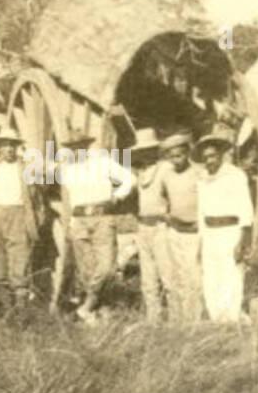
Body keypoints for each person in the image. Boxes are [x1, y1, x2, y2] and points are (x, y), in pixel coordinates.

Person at [53, 127, 135, 322]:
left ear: (87, 146)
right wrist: (71, 224)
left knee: (106, 266)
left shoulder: (103, 162)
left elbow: (130, 179)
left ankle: (87, 305)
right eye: (73, 147)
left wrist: (117, 196)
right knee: (87, 269)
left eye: (81, 146)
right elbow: (70, 200)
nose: (77, 150)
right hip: (79, 221)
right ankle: (95, 313)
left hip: (102, 218)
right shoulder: (67, 170)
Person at [195, 129, 252, 322]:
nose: (209, 161)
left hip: (230, 231)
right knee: (211, 276)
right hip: (210, 233)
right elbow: (201, 211)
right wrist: (201, 240)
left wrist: (242, 241)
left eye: (212, 156)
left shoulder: (235, 176)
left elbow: (245, 208)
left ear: (221, 154)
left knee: (230, 275)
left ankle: (230, 316)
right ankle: (216, 317)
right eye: (205, 158)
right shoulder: (202, 178)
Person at [0, 130, 38, 308]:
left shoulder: (26, 168)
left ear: (17, 147)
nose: (9, 149)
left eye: (12, 145)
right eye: (5, 145)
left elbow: (36, 196)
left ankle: (21, 309)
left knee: (19, 258)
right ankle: (5, 308)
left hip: (18, 213)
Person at [158, 132, 202, 322]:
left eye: (180, 155)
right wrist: (167, 215)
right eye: (172, 156)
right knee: (178, 275)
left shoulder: (198, 173)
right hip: (175, 230)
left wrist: (200, 221)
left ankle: (195, 318)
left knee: (194, 276)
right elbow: (162, 199)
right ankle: (181, 318)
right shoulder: (167, 176)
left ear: (188, 153)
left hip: (195, 231)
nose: (176, 160)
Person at [127, 130, 168, 322]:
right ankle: (154, 317)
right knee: (148, 275)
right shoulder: (140, 174)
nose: (146, 154)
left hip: (161, 225)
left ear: (156, 150)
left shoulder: (165, 169)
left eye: (149, 150)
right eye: (142, 151)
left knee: (167, 272)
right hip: (143, 226)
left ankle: (177, 316)